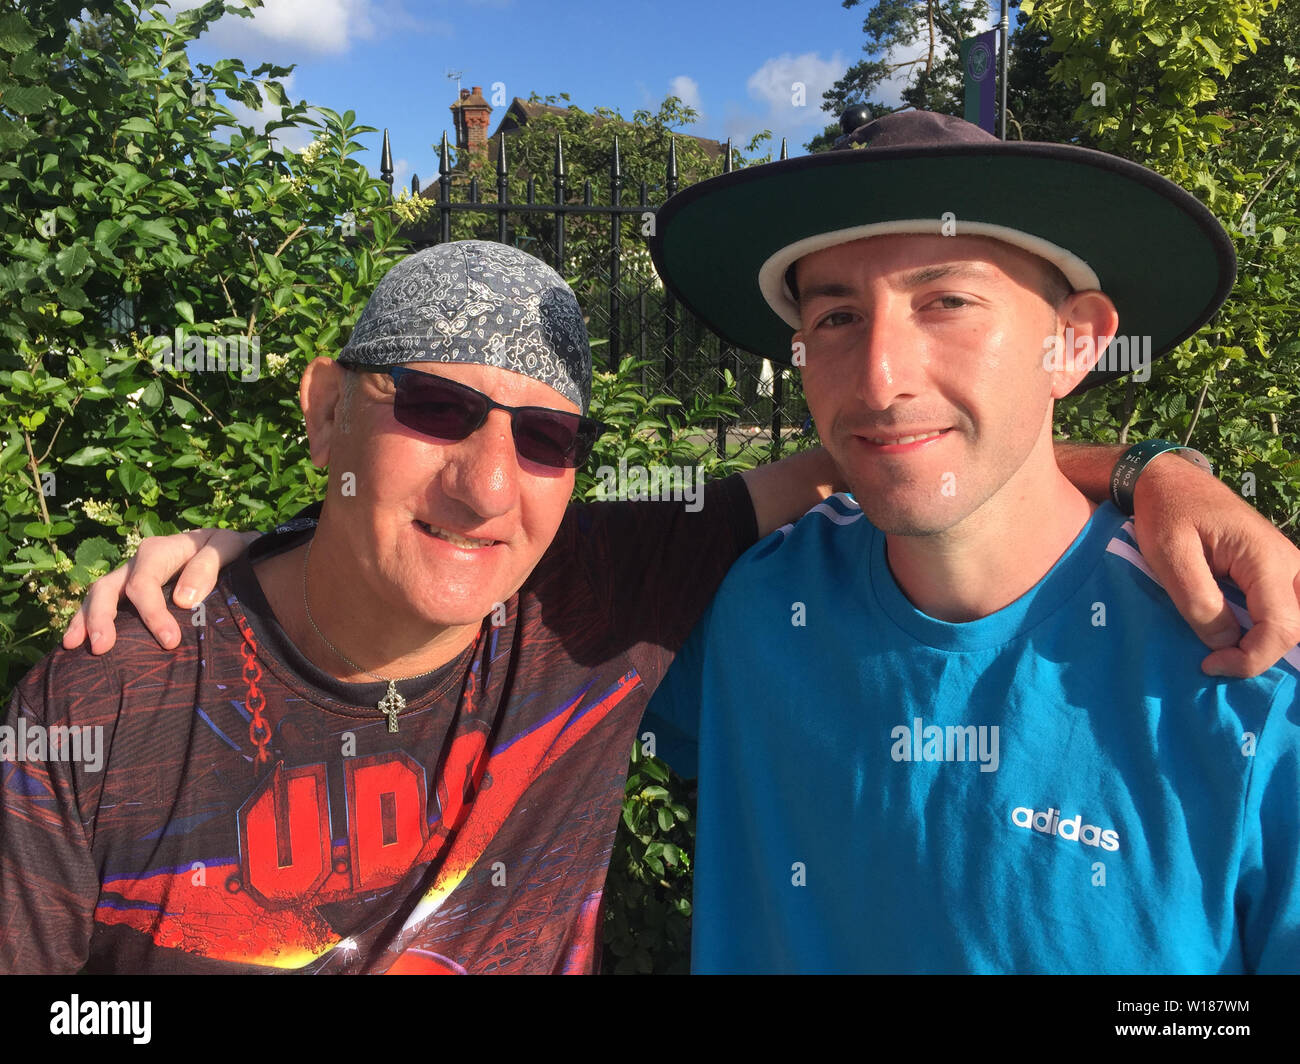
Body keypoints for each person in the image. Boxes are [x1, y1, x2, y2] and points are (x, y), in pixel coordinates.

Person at [17, 216, 1298, 974]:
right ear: (326, 409)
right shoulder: (122, 683)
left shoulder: (1247, 676)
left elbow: (909, 448)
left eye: (545, 442)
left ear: (1077, 340)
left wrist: (1146, 468)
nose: (483, 484)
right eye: (430, 409)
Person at [642, 109, 1300, 973]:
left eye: (946, 303)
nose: (881, 378)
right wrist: (1145, 467)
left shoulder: (1249, 674)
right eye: (836, 318)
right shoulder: (750, 608)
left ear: (1074, 343)